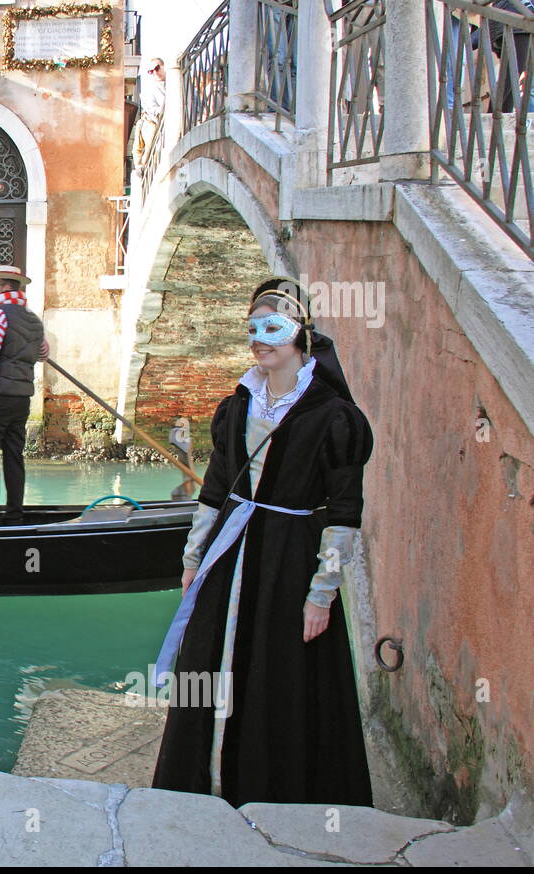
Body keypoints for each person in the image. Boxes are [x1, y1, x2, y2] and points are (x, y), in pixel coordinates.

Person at [151, 277, 374, 808]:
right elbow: (214, 488)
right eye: (252, 329)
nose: (259, 338)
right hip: (228, 554)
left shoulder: (334, 417)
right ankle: (197, 784)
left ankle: (274, 791)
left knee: (280, 670)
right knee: (206, 663)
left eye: (272, 328)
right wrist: (192, 558)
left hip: (290, 558)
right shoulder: (236, 407)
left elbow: (343, 514)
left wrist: (322, 593)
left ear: (301, 336)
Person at [0, 264, 47, 526]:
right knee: (15, 455)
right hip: (22, 398)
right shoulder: (33, 319)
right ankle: (15, 514)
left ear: (4, 287)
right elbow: (42, 353)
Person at [131, 57, 165, 166]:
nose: (155, 72)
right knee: (148, 148)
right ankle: (142, 169)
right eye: (151, 71)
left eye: (157, 68)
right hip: (151, 123)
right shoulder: (150, 89)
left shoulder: (174, 83)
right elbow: (152, 109)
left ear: (163, 67)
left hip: (163, 126)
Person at [168, 416, 196, 501]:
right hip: (185, 454)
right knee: (188, 477)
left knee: (188, 478)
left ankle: (186, 495)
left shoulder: (180, 435)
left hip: (185, 456)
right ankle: (186, 495)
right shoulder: (179, 435)